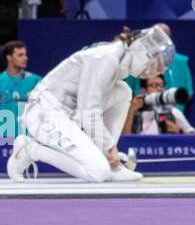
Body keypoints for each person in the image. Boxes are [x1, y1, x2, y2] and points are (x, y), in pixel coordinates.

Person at [6, 25, 175, 182]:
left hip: (70, 113)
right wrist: (110, 150)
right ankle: (29, 149)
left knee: (123, 91)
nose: (154, 71)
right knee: (98, 172)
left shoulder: (118, 57)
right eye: (155, 64)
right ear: (140, 50)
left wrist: (108, 149)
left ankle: (111, 164)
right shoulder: (106, 58)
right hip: (44, 113)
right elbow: (89, 111)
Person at [0, 41, 41, 139]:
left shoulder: (36, 81)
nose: (25, 58)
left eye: (25, 55)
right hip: (3, 140)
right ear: (9, 57)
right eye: (20, 55)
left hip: (29, 139)